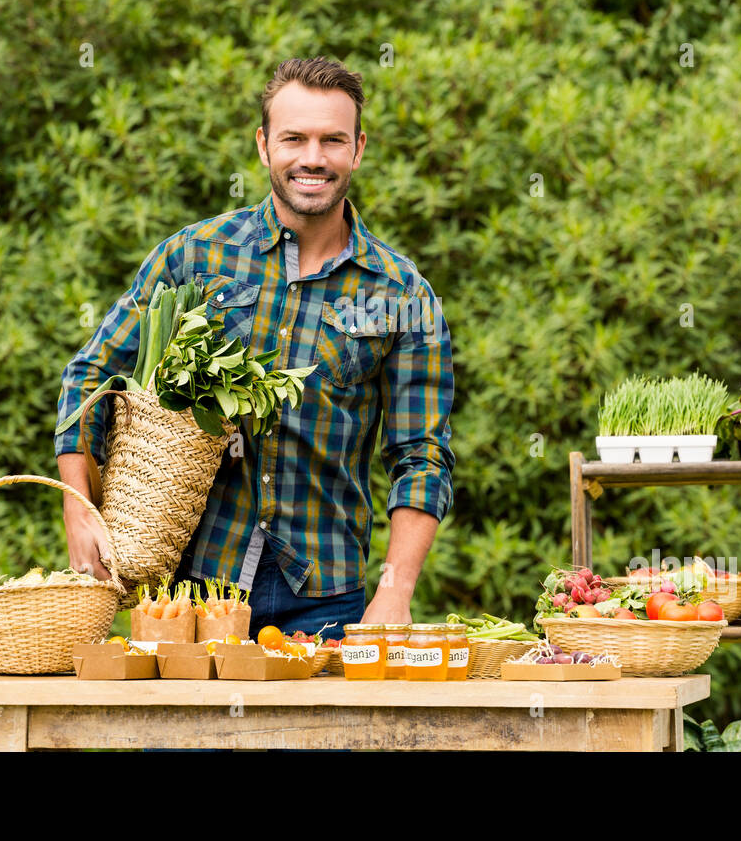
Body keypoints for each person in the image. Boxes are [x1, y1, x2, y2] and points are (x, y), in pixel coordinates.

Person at [55, 56, 455, 641]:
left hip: (326, 604)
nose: (313, 158)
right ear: (265, 146)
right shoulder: (196, 255)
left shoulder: (400, 291)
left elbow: (421, 454)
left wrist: (394, 593)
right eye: (295, 138)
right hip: (186, 595)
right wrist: (77, 510)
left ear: (358, 149)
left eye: (332, 140)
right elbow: (89, 376)